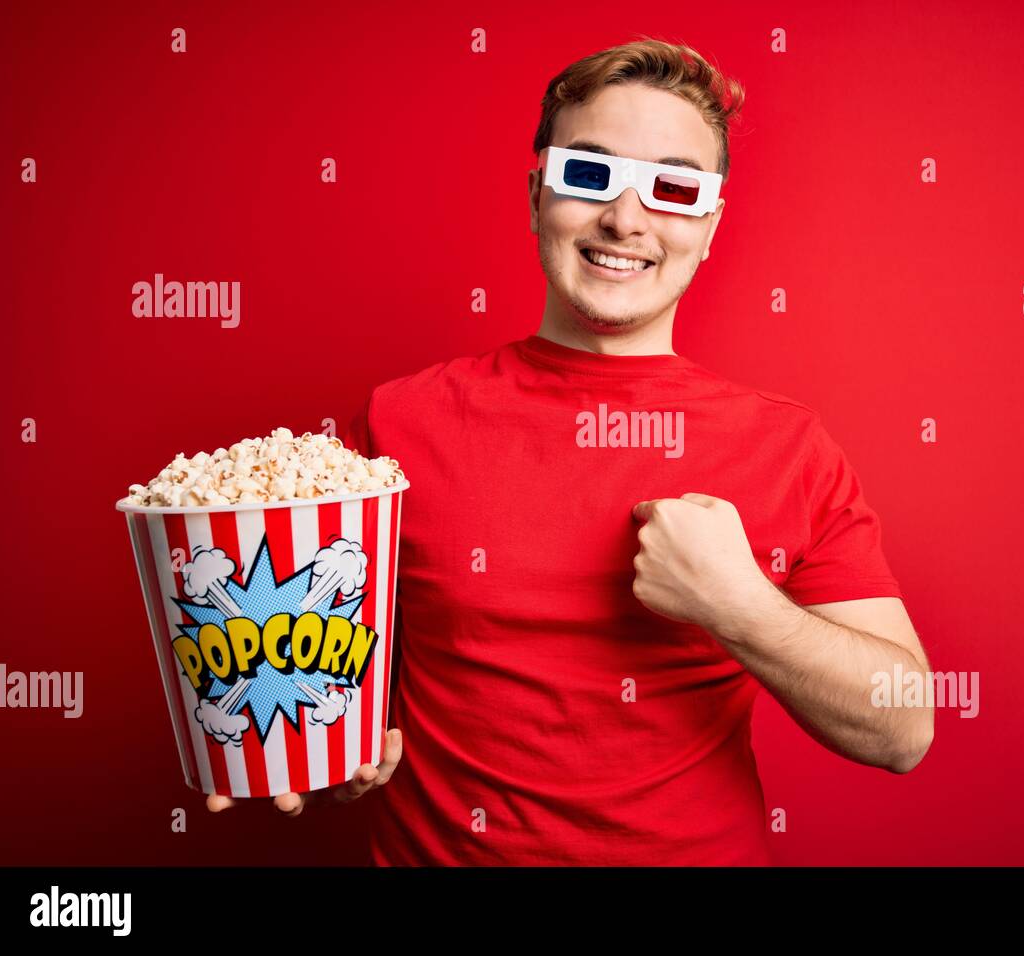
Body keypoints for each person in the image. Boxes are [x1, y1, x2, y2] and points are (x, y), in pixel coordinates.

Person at [209, 36, 933, 866]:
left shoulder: (789, 447)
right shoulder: (398, 422)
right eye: (588, 176)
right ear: (534, 197)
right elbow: (338, 676)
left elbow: (904, 727)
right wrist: (314, 741)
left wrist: (739, 606)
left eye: (671, 188)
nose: (626, 219)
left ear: (710, 222)